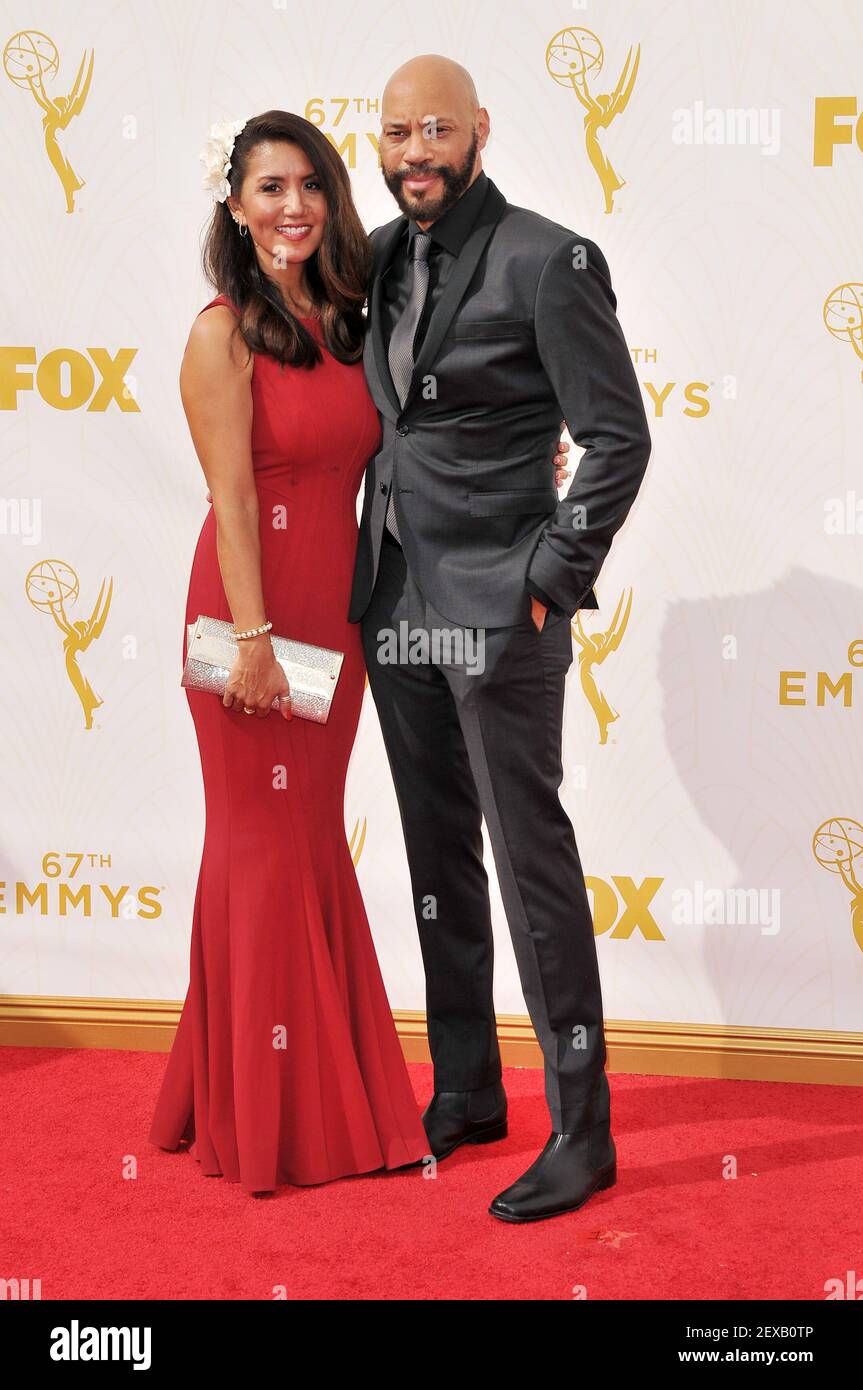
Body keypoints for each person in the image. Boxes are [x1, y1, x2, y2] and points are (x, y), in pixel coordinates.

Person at [149, 108, 572, 1196]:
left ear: (332, 201)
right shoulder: (220, 330)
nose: (292, 207)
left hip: (339, 613)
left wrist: (534, 453)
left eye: (309, 187)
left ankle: (243, 1090)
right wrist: (249, 640)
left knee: (304, 848)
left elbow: (433, 424)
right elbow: (232, 501)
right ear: (234, 209)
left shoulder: (343, 312)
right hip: (249, 616)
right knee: (261, 847)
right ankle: (271, 1120)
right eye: (268, 190)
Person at [349, 55, 652, 1222]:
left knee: (531, 865)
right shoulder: (375, 258)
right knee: (436, 863)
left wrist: (547, 574)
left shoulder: (546, 256)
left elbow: (615, 438)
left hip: (499, 610)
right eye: (393, 132)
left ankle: (583, 1126)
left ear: (478, 129)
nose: (413, 151)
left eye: (434, 129)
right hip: (395, 604)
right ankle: (469, 1085)